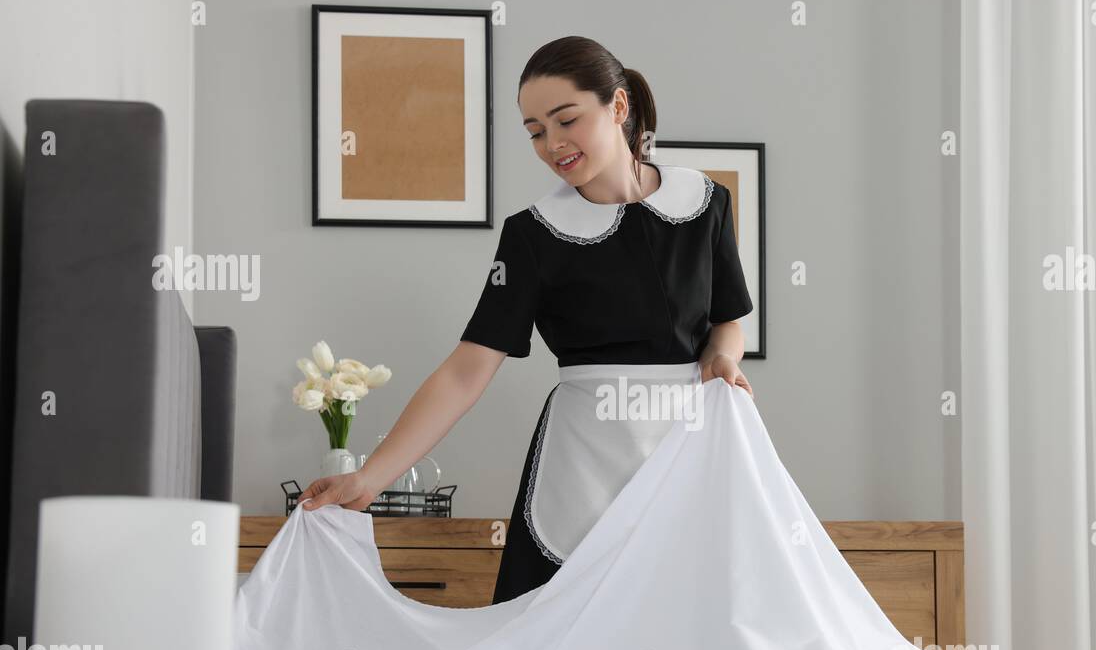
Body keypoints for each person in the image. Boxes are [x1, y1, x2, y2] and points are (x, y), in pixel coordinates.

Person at [299, 35, 754, 603]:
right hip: (582, 458)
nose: (552, 144)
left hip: (686, 443)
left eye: (566, 121)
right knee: (556, 639)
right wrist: (369, 479)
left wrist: (721, 359)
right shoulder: (533, 235)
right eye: (536, 132)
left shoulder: (705, 202)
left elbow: (728, 320)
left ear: (617, 107)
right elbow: (468, 369)